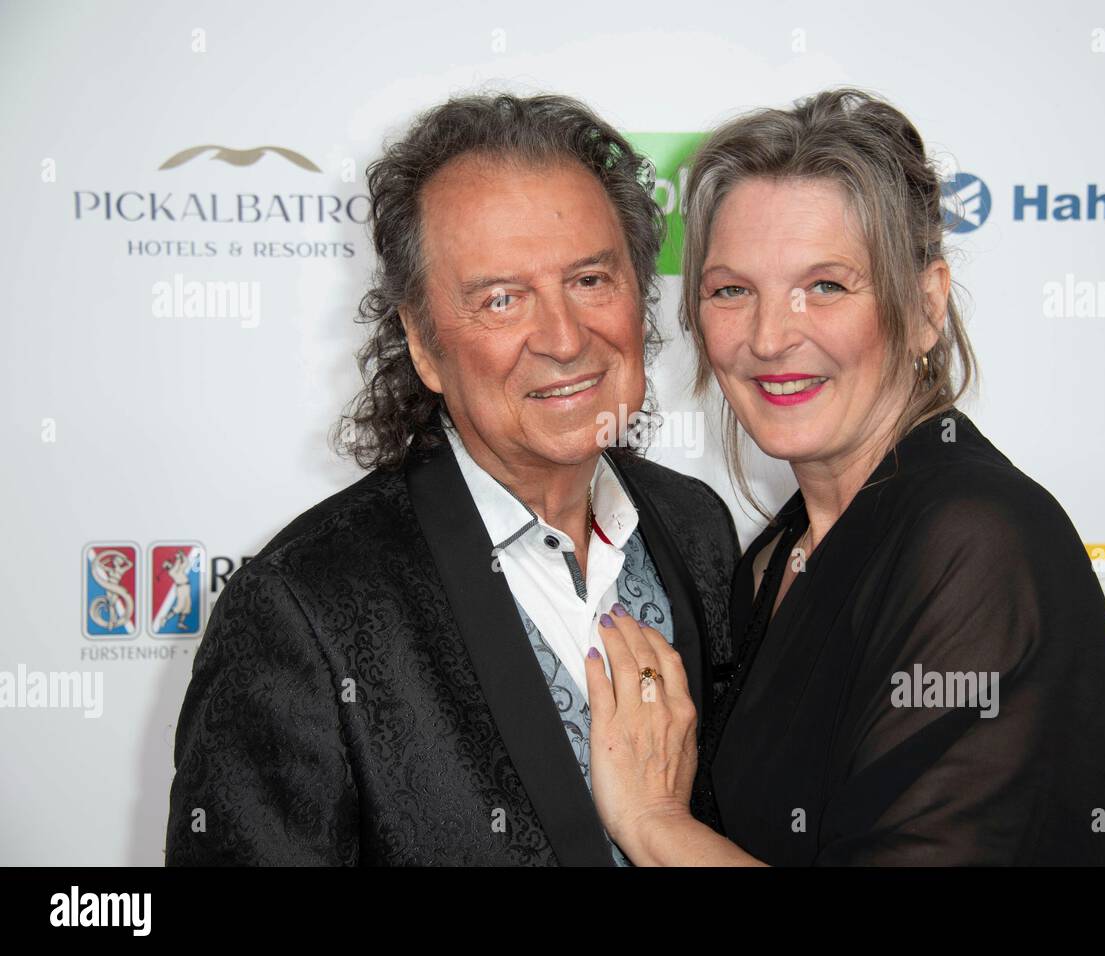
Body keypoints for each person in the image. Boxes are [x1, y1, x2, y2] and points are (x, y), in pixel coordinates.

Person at [164, 92, 739, 866]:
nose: (565, 338)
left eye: (592, 280)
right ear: (424, 344)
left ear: (640, 296)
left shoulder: (697, 528)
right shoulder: (302, 605)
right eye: (501, 299)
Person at [585, 88, 1105, 865]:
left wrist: (651, 821)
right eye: (732, 290)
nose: (771, 337)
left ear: (926, 306)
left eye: (827, 286)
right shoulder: (774, 559)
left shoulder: (976, 543)